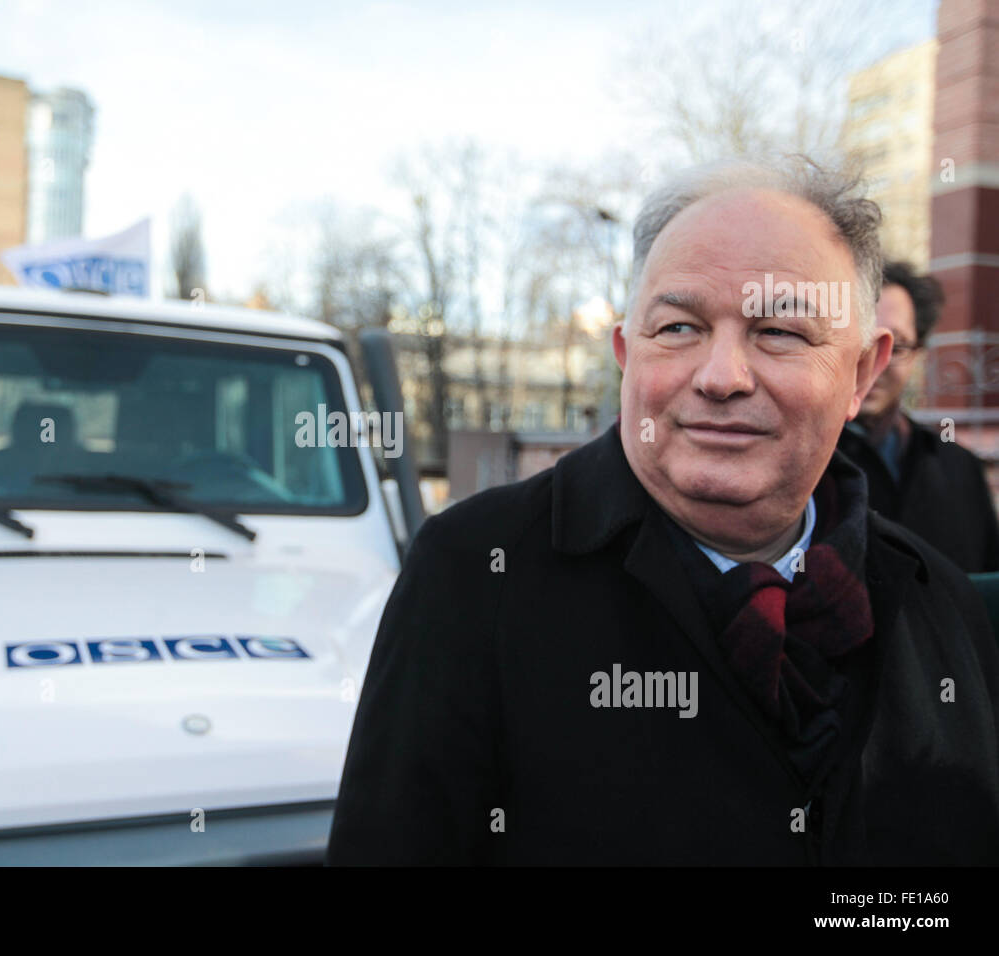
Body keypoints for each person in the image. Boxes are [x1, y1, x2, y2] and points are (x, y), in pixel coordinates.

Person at [326, 157, 999, 865]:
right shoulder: (474, 573)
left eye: (780, 333)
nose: (720, 377)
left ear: (863, 372)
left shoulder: (936, 601)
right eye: (678, 328)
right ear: (627, 353)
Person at [837, 261, 999, 572]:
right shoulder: (799, 465)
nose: (872, 366)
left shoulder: (960, 467)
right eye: (859, 343)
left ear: (919, 355)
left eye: (895, 347)